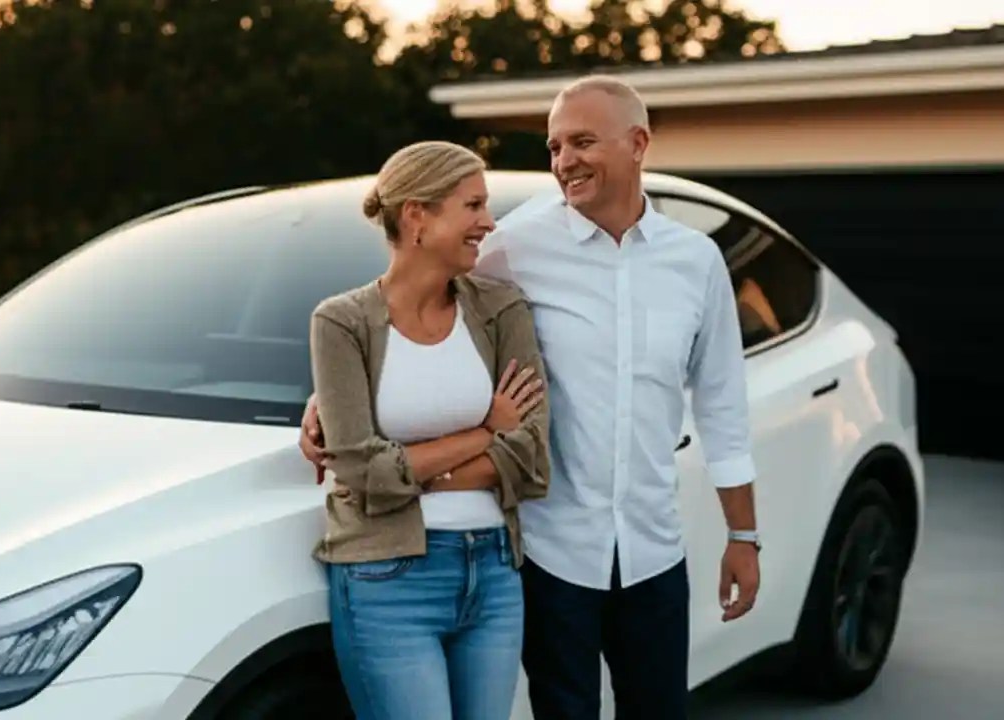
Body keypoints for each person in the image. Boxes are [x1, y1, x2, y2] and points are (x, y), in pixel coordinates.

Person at [302, 77, 761, 719]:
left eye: (582, 141)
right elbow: (414, 296)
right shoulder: (514, 246)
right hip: (549, 553)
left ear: (638, 143)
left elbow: (722, 404)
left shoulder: (697, 262)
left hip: (656, 549)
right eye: (553, 146)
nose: (564, 160)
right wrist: (326, 396)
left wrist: (744, 532)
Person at [308, 140, 551, 720]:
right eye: (472, 206)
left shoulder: (500, 309)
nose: (487, 223)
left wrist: (412, 473)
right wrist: (486, 430)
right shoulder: (341, 323)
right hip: (387, 581)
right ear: (418, 214)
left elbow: (533, 453)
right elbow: (362, 472)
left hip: (494, 572)